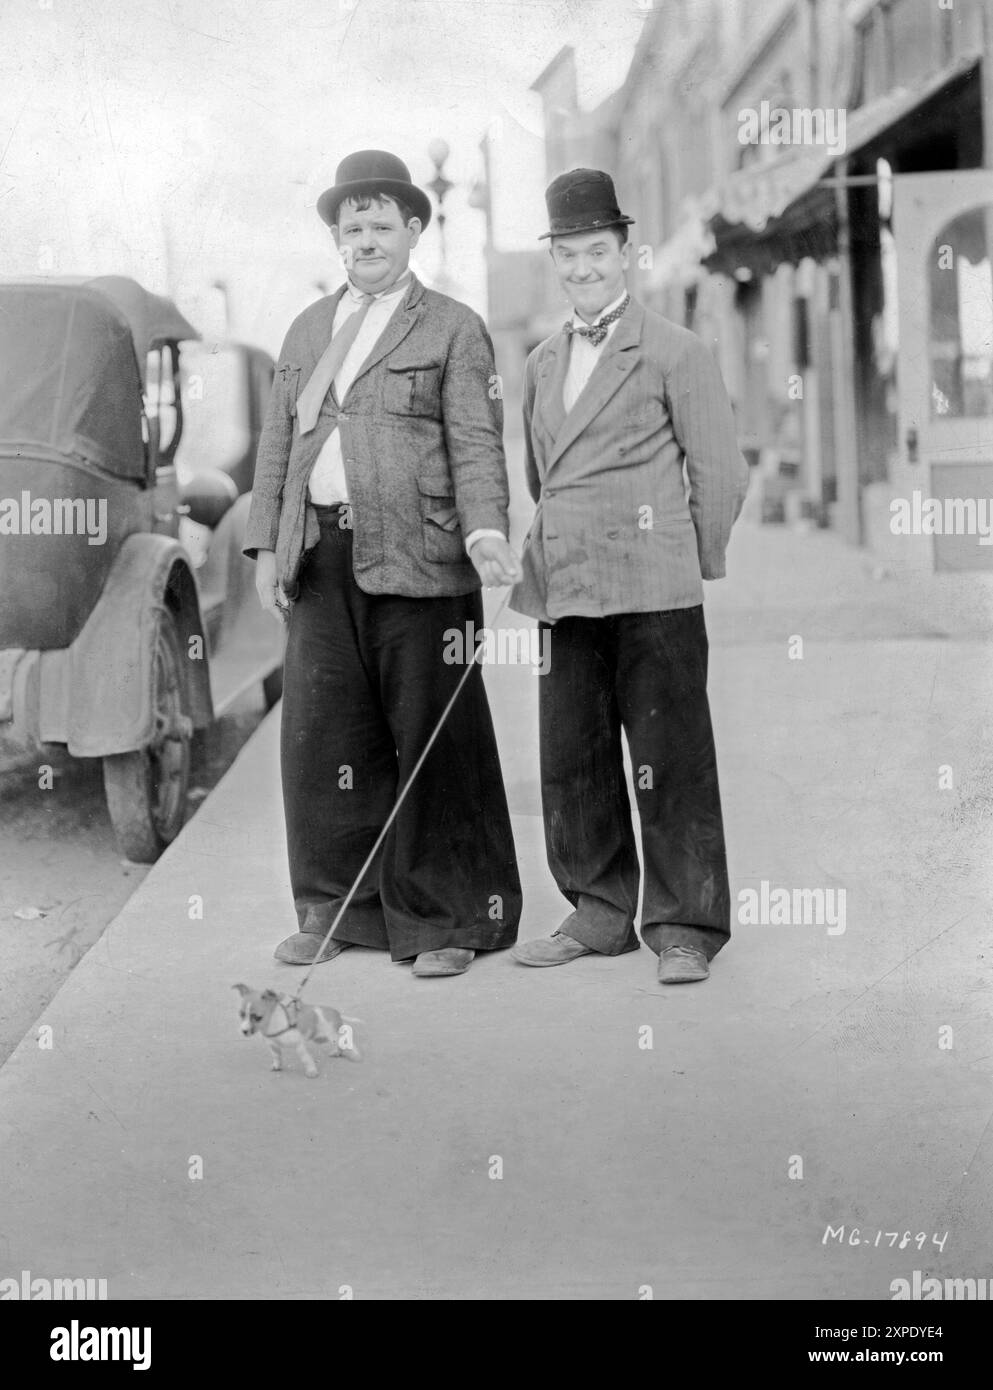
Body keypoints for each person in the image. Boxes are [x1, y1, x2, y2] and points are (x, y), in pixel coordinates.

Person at [244, 149, 523, 979]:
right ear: (337, 238)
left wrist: (484, 534)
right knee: (323, 738)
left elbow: (474, 442)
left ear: (412, 229)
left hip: (423, 558)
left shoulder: (451, 326)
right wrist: (266, 546)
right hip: (319, 558)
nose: (363, 238)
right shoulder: (306, 329)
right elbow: (275, 447)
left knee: (432, 739)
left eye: (378, 224)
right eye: (350, 226)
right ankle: (335, 909)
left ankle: (444, 918)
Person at [509, 168, 748, 984]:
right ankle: (597, 911)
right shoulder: (541, 362)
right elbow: (541, 477)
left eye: (596, 252)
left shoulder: (676, 351)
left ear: (626, 253)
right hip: (568, 589)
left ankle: (684, 926)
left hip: (654, 592)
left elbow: (719, 473)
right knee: (571, 761)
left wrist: (690, 559)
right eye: (567, 255)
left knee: (671, 759)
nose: (582, 268)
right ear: (555, 262)